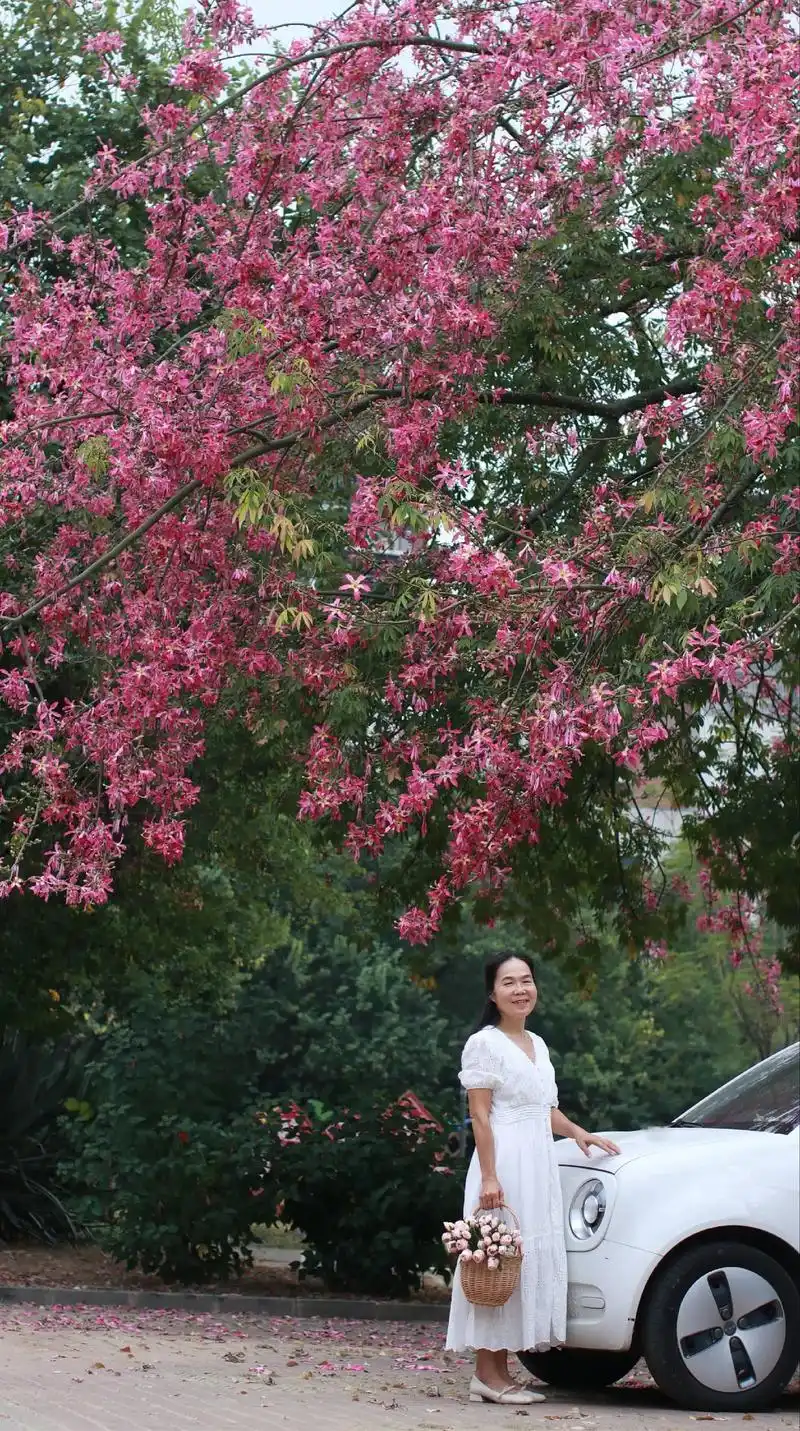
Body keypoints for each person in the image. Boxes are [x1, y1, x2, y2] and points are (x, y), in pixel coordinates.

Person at [445, 953, 621, 1406]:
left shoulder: (537, 1044)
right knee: (495, 1262)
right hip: (504, 1163)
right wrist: (489, 1176)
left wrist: (578, 1133)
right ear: (492, 993)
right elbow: (480, 1114)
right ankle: (486, 1374)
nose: (520, 989)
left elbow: (544, 1110)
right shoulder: (484, 1044)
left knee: (516, 1265)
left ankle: (497, 1373)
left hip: (537, 1165)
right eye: (509, 982)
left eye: (526, 980)